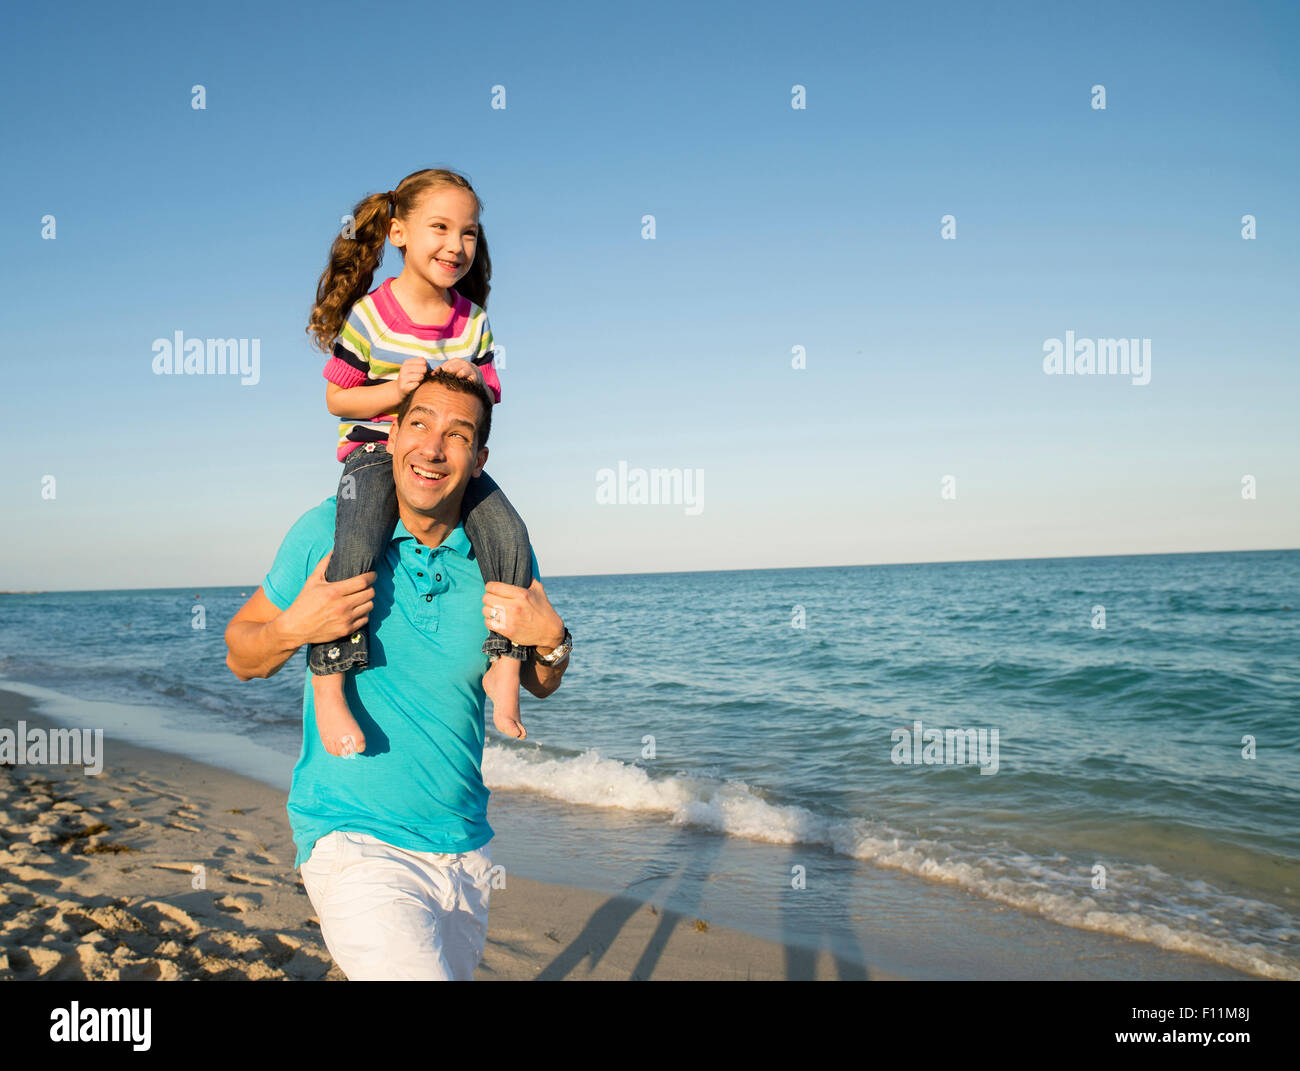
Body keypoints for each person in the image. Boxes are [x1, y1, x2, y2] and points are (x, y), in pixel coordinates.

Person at [223, 369, 572, 980]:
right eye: (419, 424)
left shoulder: (498, 554)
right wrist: (292, 628)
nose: (433, 448)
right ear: (391, 437)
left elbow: (540, 681)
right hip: (352, 835)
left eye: (457, 434)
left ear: (479, 457)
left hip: (464, 847)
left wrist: (554, 644)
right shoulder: (327, 531)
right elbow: (241, 655)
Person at [304, 167, 533, 755]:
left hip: (448, 456)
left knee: (510, 531)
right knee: (355, 543)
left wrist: (473, 380)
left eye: (469, 233)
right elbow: (336, 395)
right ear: (399, 233)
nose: (456, 246)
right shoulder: (372, 315)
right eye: (440, 228)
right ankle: (331, 682)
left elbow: (490, 392)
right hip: (377, 453)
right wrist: (393, 393)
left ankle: (504, 665)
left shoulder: (473, 320)